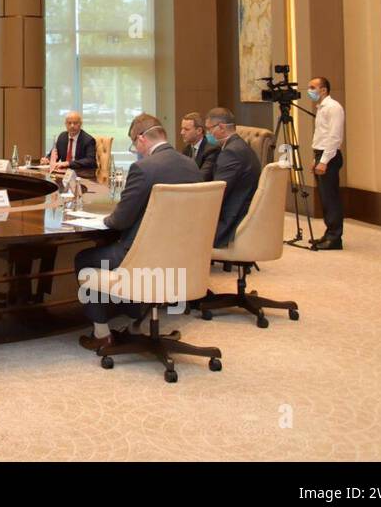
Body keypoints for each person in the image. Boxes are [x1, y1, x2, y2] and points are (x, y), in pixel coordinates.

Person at [73, 114, 199, 352]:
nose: (135, 151)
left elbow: (120, 220)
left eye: (134, 145)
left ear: (141, 139)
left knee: (84, 259)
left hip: (146, 257)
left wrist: (103, 219)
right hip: (183, 258)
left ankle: (102, 334)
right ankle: (134, 324)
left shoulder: (143, 168)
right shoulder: (191, 166)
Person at [205, 107, 261, 247]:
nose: (208, 133)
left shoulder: (231, 152)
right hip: (240, 208)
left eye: (209, 129)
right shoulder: (239, 145)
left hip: (231, 218)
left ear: (221, 127)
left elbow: (218, 192)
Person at [308, 76, 345, 250]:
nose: (310, 91)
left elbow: (334, 137)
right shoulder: (321, 108)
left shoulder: (333, 107)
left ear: (323, 90)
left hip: (329, 156)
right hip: (321, 154)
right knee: (324, 198)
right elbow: (320, 136)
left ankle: (335, 238)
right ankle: (329, 233)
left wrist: (323, 161)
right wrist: (314, 159)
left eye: (313, 87)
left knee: (331, 198)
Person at [40, 111, 97, 175]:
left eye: (75, 123)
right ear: (65, 124)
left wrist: (68, 163)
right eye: (69, 123)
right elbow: (55, 154)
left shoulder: (88, 140)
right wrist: (47, 159)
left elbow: (91, 161)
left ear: (80, 124)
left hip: (81, 174)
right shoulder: (62, 136)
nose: (72, 126)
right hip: (63, 173)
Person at [179, 110, 218, 180]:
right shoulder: (186, 150)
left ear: (199, 131)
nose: (182, 132)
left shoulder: (211, 151)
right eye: (182, 129)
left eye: (186, 129)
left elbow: (202, 177)